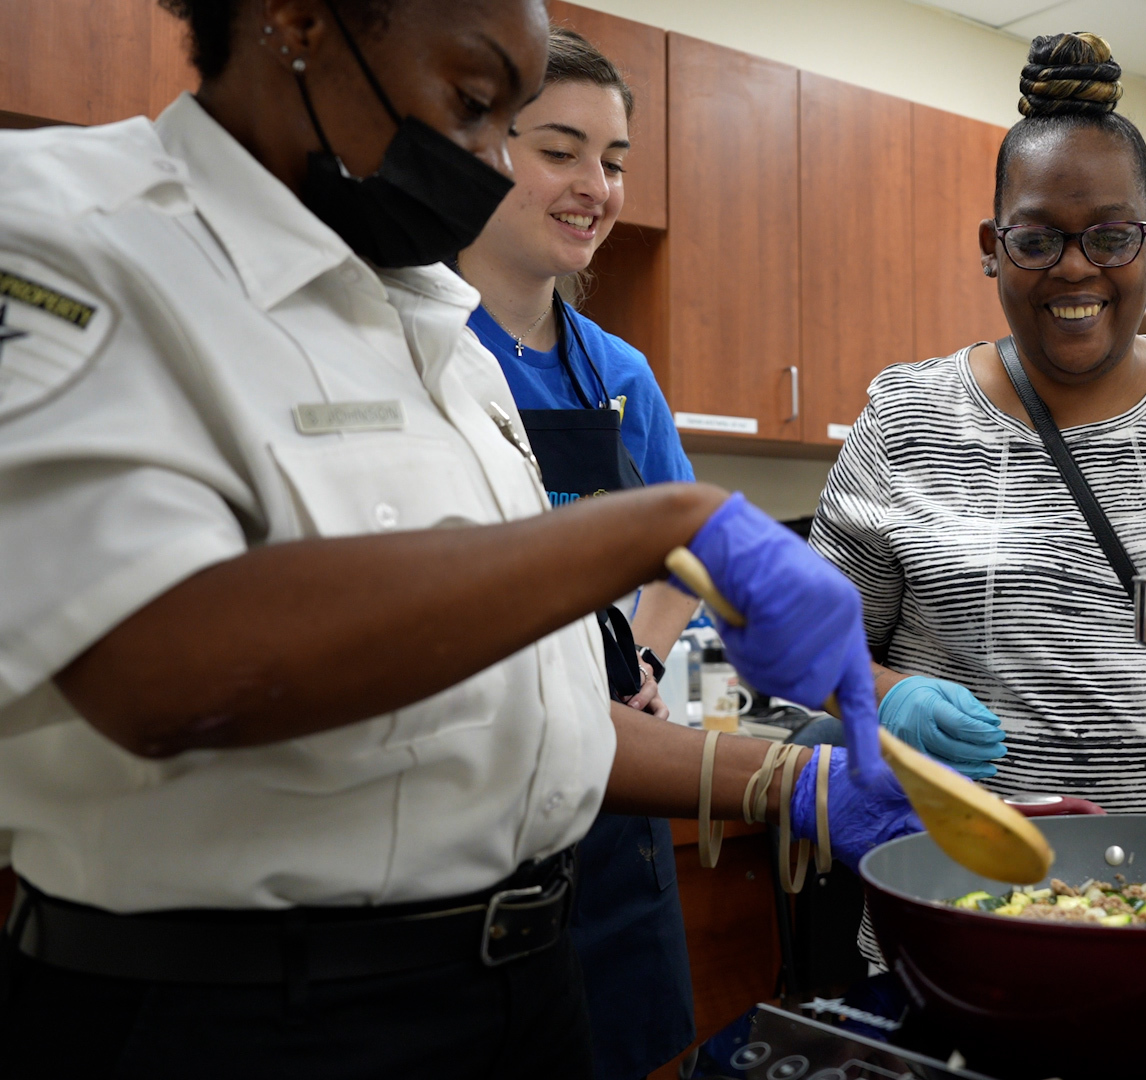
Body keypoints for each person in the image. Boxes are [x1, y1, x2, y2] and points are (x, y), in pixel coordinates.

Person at [0, 1, 913, 1075]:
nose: (487, 162)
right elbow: (155, 664)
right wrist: (663, 526)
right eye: (477, 106)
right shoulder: (66, 227)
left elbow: (529, 714)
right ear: (300, 23)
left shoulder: (431, 324)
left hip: (524, 988)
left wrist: (784, 781)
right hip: (243, 1014)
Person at [809, 32, 1146, 820]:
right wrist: (886, 695)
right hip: (975, 886)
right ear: (991, 250)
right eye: (1036, 240)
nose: (1075, 268)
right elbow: (810, 645)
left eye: (1110, 236)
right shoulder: (907, 420)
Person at [453, 28, 699, 1078]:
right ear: (478, 146)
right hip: (481, 803)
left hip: (617, 808)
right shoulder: (420, 347)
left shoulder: (618, 373)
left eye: (614, 160)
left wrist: (639, 658)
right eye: (560, 150)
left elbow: (688, 556)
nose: (596, 186)